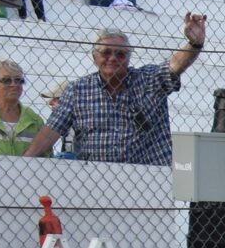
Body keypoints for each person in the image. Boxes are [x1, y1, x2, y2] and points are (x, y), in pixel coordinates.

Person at [25, 18, 208, 164]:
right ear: (95, 57)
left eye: (120, 54)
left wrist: (194, 44)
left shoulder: (148, 80)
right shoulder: (77, 90)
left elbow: (175, 65)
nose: (113, 58)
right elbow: (51, 130)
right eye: (106, 53)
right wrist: (24, 163)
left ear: (128, 59)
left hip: (147, 176)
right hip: (95, 177)